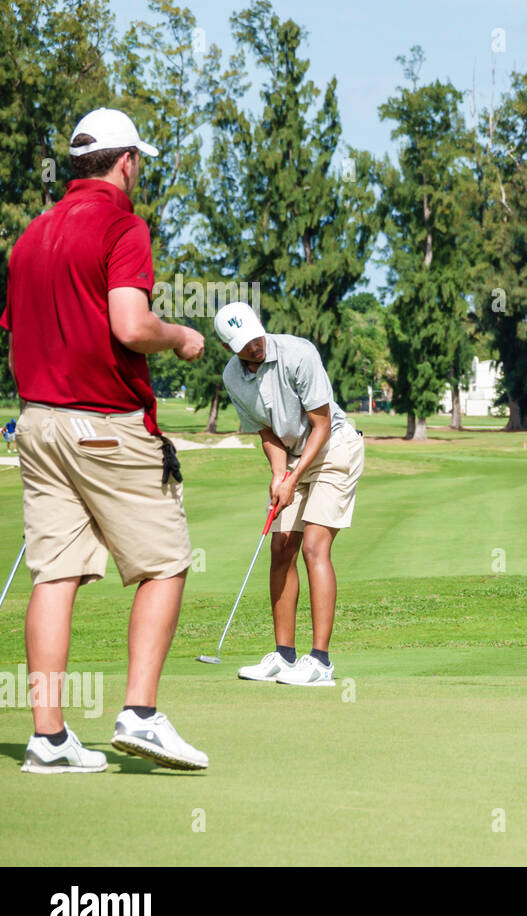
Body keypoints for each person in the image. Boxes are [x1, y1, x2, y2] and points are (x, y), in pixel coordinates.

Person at [1, 108, 209, 773]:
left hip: (36, 423)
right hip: (105, 424)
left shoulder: (30, 237)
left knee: (56, 573)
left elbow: (19, 337)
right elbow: (129, 324)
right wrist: (178, 336)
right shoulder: (124, 224)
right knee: (167, 561)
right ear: (127, 162)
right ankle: (140, 715)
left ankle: (49, 737)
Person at [214, 302, 364, 687]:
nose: (254, 347)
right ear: (229, 347)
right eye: (243, 344)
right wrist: (279, 473)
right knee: (281, 547)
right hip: (293, 456)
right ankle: (283, 657)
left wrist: (294, 475)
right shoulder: (233, 376)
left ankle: (321, 662)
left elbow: (322, 423)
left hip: (333, 449)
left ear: (260, 324)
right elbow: (266, 431)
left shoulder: (299, 353)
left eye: (254, 336)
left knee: (315, 547)